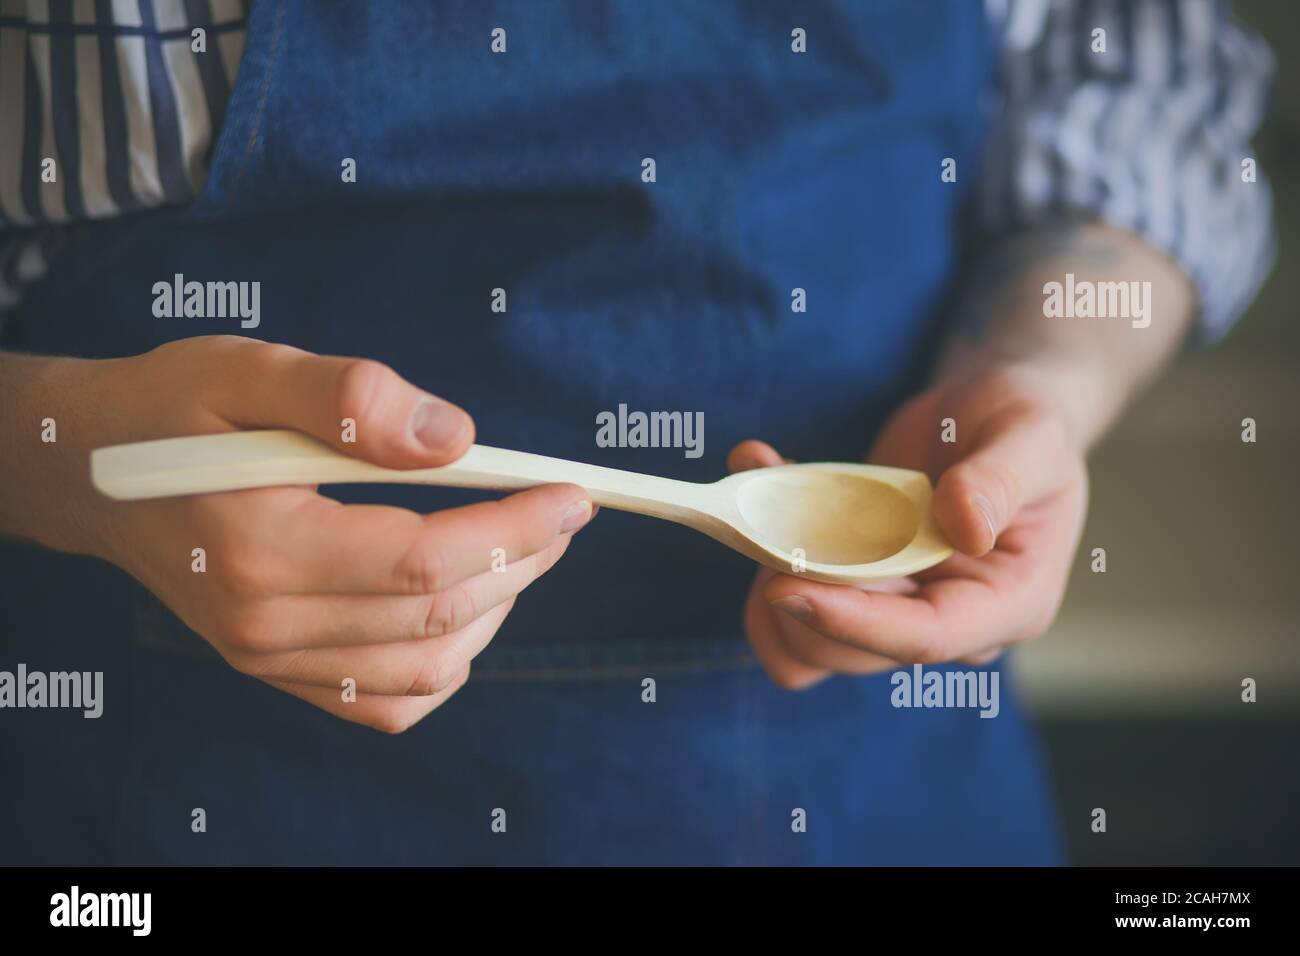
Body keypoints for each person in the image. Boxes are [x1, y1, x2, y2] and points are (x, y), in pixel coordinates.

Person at [0, 0, 1274, 865]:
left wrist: (1036, 374)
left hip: (882, 786)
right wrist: (59, 454)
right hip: (170, 774)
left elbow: (1140, 97)